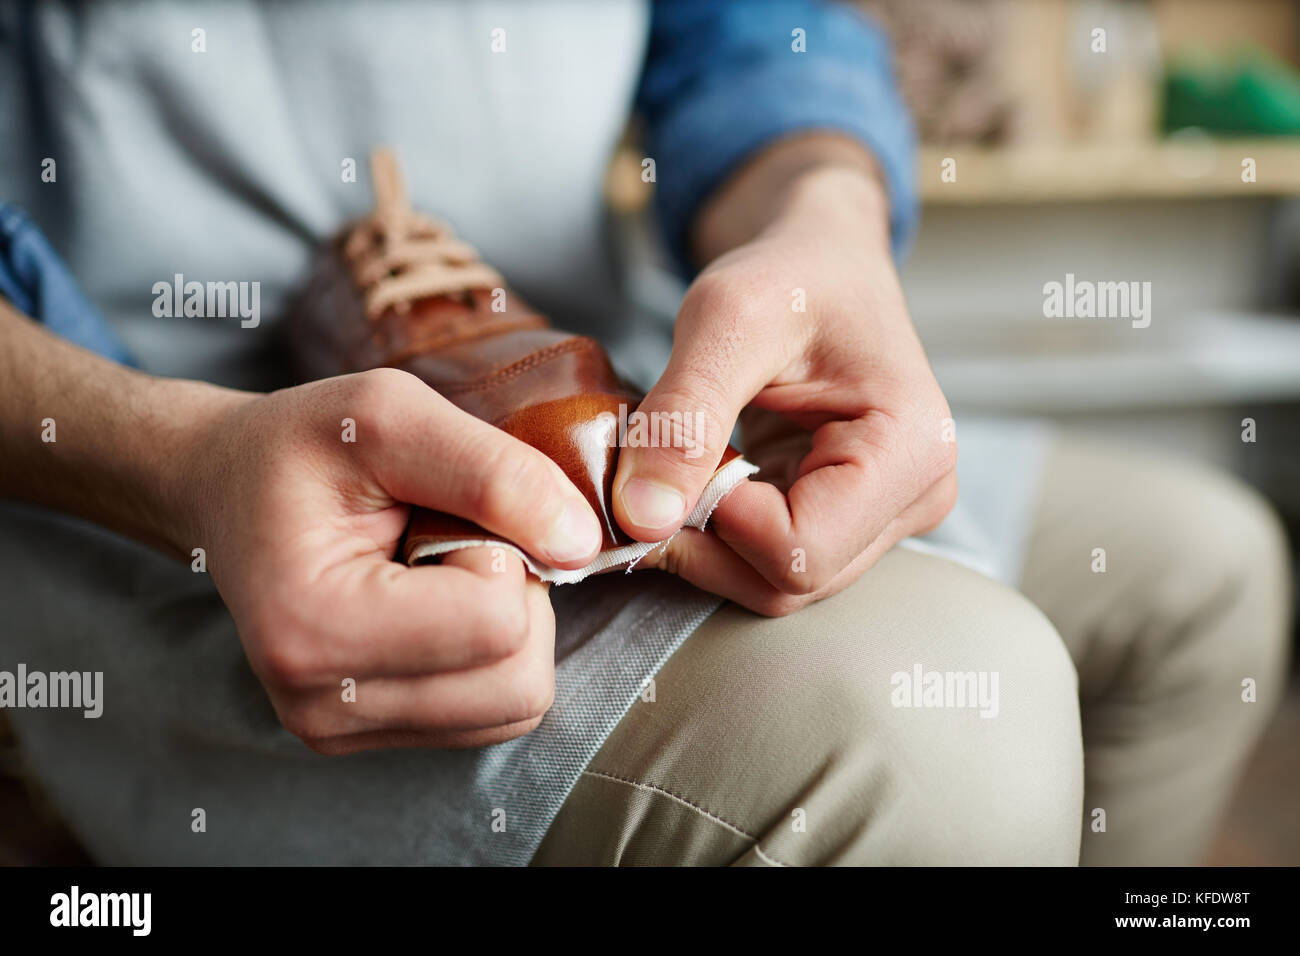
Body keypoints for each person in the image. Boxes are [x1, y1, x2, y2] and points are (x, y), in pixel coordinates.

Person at [0, 0, 1289, 865]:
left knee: (1209, 571)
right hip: (146, 465)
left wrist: (822, 218)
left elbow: (749, 35)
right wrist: (172, 462)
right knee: (949, 713)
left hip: (609, 357)